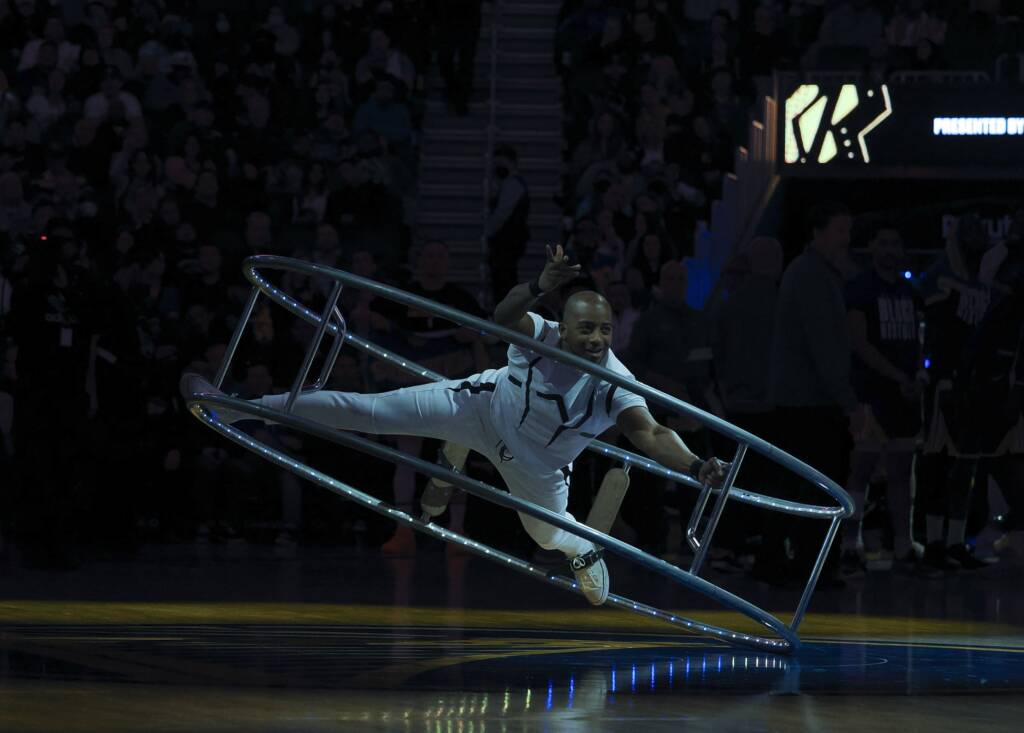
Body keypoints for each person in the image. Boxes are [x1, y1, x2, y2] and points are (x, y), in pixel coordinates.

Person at [181, 245, 728, 605]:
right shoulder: (540, 330)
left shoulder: (616, 379)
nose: (597, 340)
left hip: (539, 466)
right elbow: (502, 318)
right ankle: (240, 405)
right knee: (367, 410)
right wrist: (537, 283)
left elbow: (650, 432)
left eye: (605, 331)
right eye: (586, 329)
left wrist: (698, 464)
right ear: (564, 327)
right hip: (479, 407)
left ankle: (582, 549)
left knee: (546, 535)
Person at [843, 224, 922, 569]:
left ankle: (903, 544)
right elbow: (859, 343)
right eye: (883, 241)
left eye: (896, 243)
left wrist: (916, 375)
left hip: (903, 395)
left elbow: (920, 339)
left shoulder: (909, 290)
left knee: (902, 472)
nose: (890, 249)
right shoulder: (861, 289)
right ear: (872, 246)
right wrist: (898, 375)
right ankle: (850, 543)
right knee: (860, 469)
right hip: (872, 392)